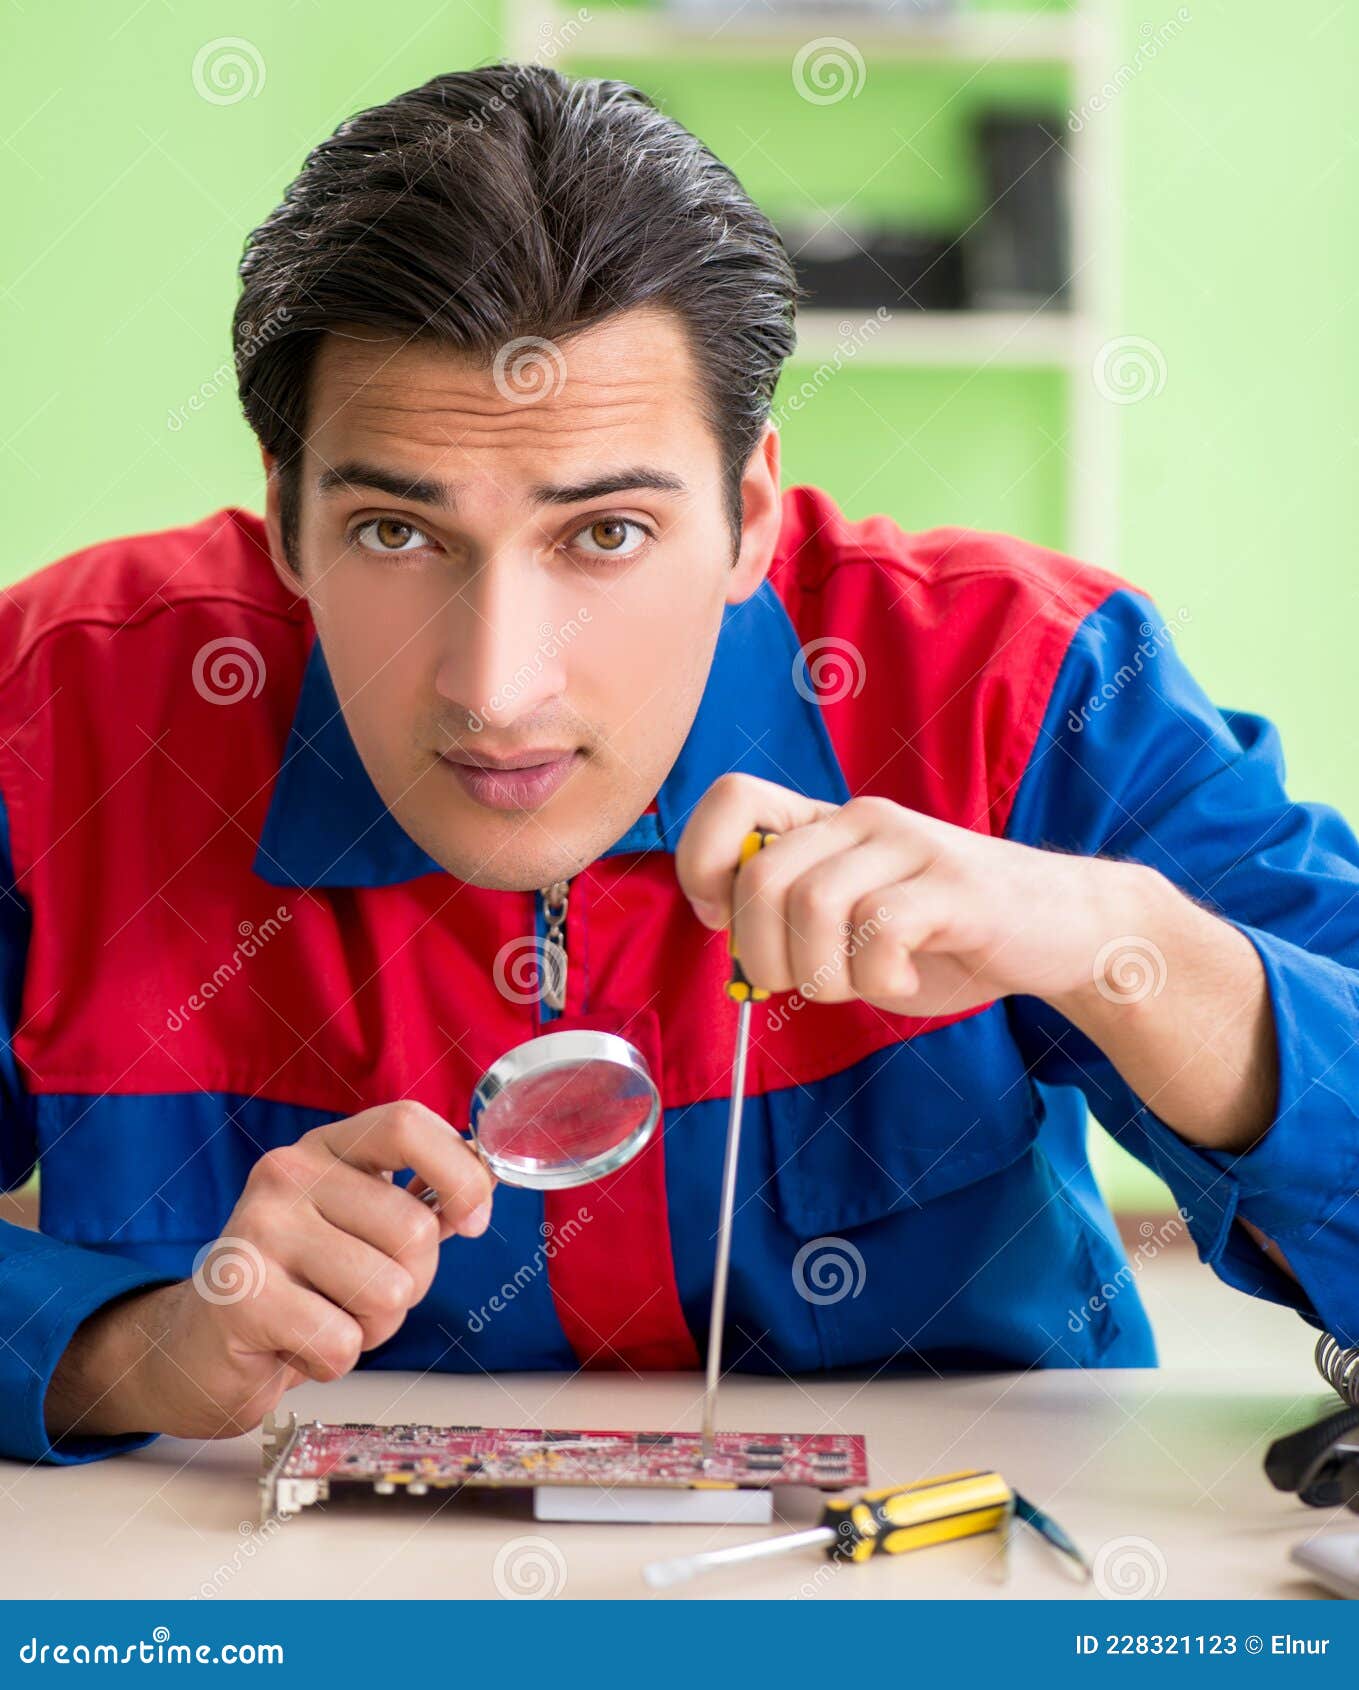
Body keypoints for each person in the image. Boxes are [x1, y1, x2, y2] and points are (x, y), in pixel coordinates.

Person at [3, 64, 1354, 1467]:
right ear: (287, 518)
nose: (497, 685)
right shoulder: (63, 708)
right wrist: (126, 1347)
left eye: (604, 534)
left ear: (750, 509)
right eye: (399, 534)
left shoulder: (1024, 685)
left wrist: (1120, 943)